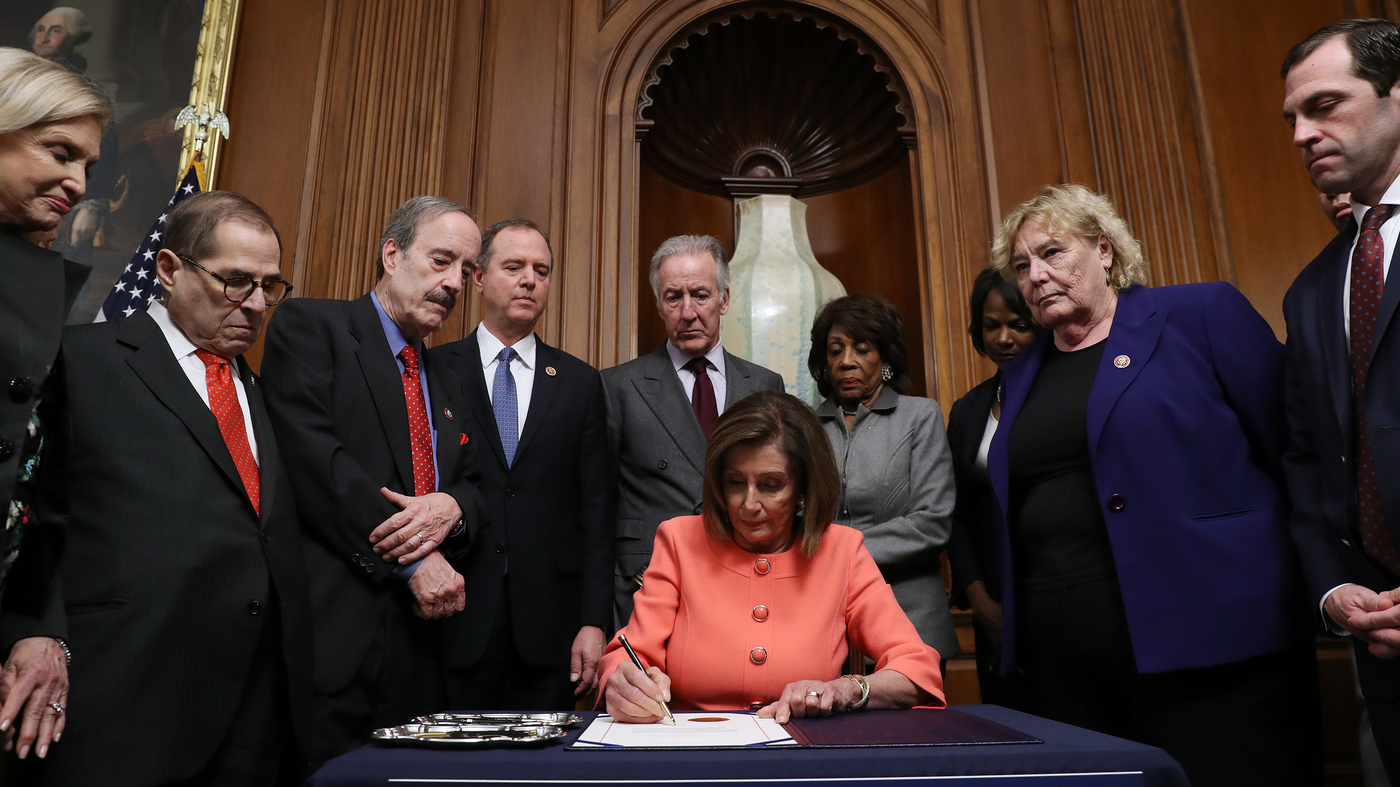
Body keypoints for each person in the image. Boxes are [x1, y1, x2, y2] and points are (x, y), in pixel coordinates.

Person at [986, 184, 1321, 786]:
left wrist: (1324, 577)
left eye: (1053, 253)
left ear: (1105, 251)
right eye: (1020, 266)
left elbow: (1291, 448)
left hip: (1212, 638)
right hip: (1067, 657)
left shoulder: (1199, 315)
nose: (1035, 275)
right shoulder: (1022, 372)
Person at [5, 191, 314, 784]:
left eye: (270, 286)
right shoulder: (81, 360)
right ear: (169, 270)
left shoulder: (257, 388)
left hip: (257, 715)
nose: (255, 305)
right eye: (236, 281)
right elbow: (27, 513)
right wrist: (32, 630)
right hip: (124, 701)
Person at [260, 196, 488, 762]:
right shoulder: (312, 327)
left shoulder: (450, 378)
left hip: (428, 646)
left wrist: (454, 509)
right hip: (336, 635)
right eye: (441, 261)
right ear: (392, 254)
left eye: (466, 270)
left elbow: (476, 487)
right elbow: (318, 462)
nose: (454, 282)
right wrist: (415, 556)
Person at [600, 390, 944, 723]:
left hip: (803, 759)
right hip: (696, 751)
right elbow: (629, 656)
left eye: (770, 484)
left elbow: (916, 670)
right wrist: (623, 683)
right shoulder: (679, 540)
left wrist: (845, 689)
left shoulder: (843, 551)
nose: (748, 505)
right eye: (735, 482)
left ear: (804, 490)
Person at [1281, 19, 1400, 783]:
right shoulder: (1316, 286)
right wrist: (1333, 587)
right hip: (1380, 647)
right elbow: (1308, 459)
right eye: (1291, 117)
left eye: (1325, 105)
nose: (1301, 134)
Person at [431, 219, 613, 710]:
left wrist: (594, 622)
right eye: (514, 267)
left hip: (551, 625)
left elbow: (597, 511)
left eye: (542, 270)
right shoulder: (435, 370)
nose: (530, 279)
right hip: (453, 615)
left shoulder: (579, 382)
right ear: (479, 278)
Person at [0, 46, 108, 763]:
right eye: (59, 151)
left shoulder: (34, 285)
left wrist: (34, 622)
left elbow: (39, 482)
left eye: (89, 168)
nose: (77, 182)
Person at [602, 235, 783, 626]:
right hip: (647, 586)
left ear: (724, 300)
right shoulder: (617, 386)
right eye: (673, 297)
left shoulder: (765, 385)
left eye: (700, 294)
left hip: (745, 575)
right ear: (658, 305)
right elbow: (597, 500)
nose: (688, 312)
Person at [807, 294, 959, 664]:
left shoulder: (919, 416)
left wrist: (840, 551)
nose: (846, 361)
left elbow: (932, 522)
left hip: (908, 616)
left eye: (862, 349)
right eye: (835, 350)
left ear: (885, 359)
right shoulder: (804, 425)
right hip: (820, 619)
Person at [946, 268, 1041, 708]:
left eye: (1018, 325)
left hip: (1059, 596)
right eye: (991, 325)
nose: (1004, 338)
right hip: (994, 608)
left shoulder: (1073, 389)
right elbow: (959, 511)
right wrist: (980, 600)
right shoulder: (969, 409)